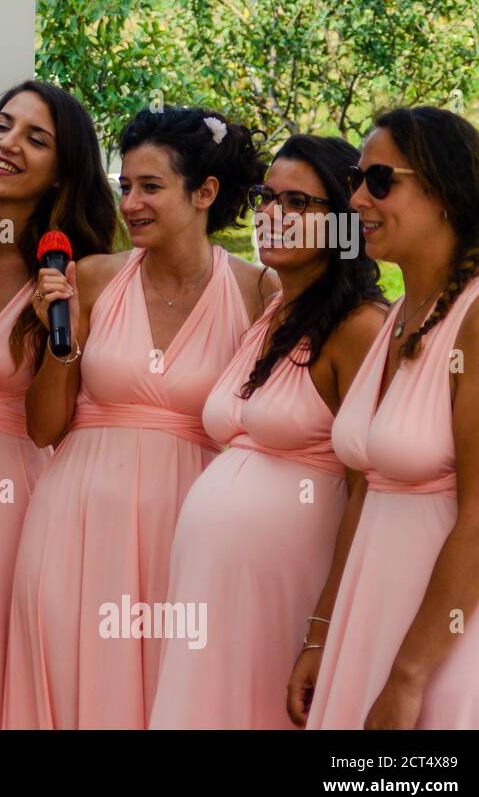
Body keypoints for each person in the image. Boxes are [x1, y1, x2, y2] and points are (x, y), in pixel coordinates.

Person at [4, 106, 274, 729]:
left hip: (190, 533)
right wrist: (58, 343)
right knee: (73, 692)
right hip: (74, 525)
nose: (130, 203)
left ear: (205, 192)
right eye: (125, 186)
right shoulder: (93, 279)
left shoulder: (258, 293)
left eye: (150, 187)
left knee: (171, 697)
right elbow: (43, 428)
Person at [149, 135, 386, 729]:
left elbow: (369, 491)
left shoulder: (360, 328)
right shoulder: (271, 312)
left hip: (287, 594)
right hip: (210, 593)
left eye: (297, 203)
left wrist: (323, 628)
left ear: (343, 222)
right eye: (265, 197)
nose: (271, 216)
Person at [293, 107, 479, 729]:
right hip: (373, 625)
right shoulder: (396, 317)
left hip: (449, 648)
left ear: (445, 193)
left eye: (380, 180)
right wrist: (322, 636)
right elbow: (364, 496)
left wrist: (410, 677)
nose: (357, 198)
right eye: (358, 180)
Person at [0, 80, 118, 728]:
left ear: (63, 170)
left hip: (18, 496)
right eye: (2, 125)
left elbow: (54, 425)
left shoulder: (76, 271)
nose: (7, 143)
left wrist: (60, 336)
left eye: (36, 138)